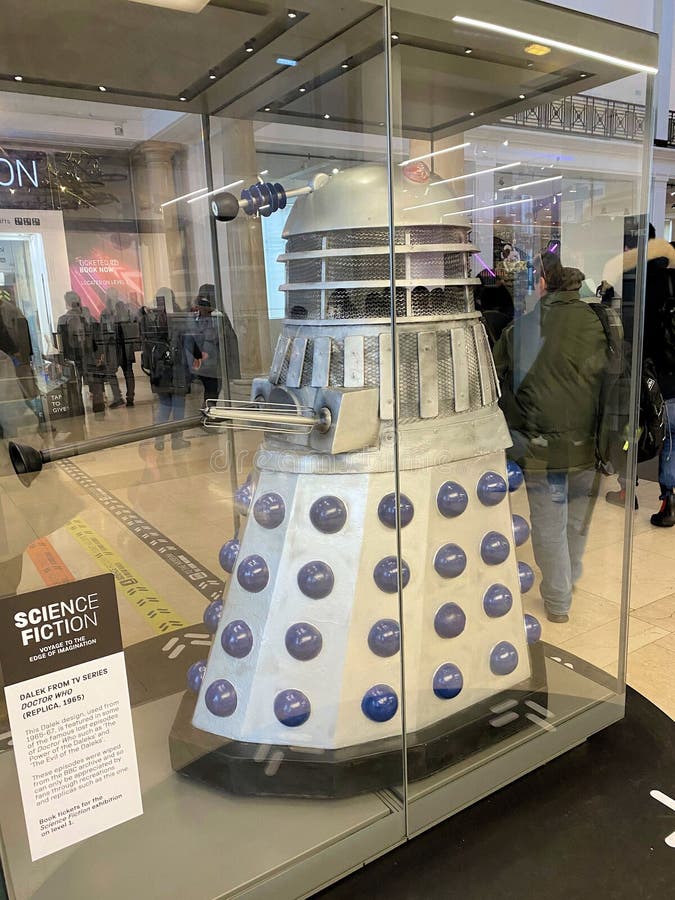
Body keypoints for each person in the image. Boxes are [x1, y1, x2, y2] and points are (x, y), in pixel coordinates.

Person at [493, 253, 610, 624]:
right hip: (590, 444)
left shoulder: (521, 329)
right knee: (575, 523)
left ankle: (559, 600)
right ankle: (567, 581)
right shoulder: (600, 322)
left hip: (541, 450)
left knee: (548, 526)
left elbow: (496, 381)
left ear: (542, 282)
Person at [601, 223, 675, 510]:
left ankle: (625, 490)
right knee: (671, 437)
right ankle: (668, 501)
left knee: (630, 430)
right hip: (671, 376)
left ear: (628, 246)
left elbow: (611, 326)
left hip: (637, 373)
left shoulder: (624, 277)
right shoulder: (671, 276)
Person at [141, 287, 202, 450]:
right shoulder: (178, 315)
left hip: (159, 369)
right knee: (178, 405)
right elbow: (189, 338)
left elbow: (145, 344)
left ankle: (159, 440)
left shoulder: (150, 318)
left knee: (164, 405)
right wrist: (198, 355)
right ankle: (176, 440)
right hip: (177, 367)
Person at [191, 283, 240, 402]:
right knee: (211, 394)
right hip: (210, 364)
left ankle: (207, 415)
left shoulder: (212, 316)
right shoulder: (210, 317)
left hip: (209, 363)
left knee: (211, 394)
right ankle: (207, 417)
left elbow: (228, 340)